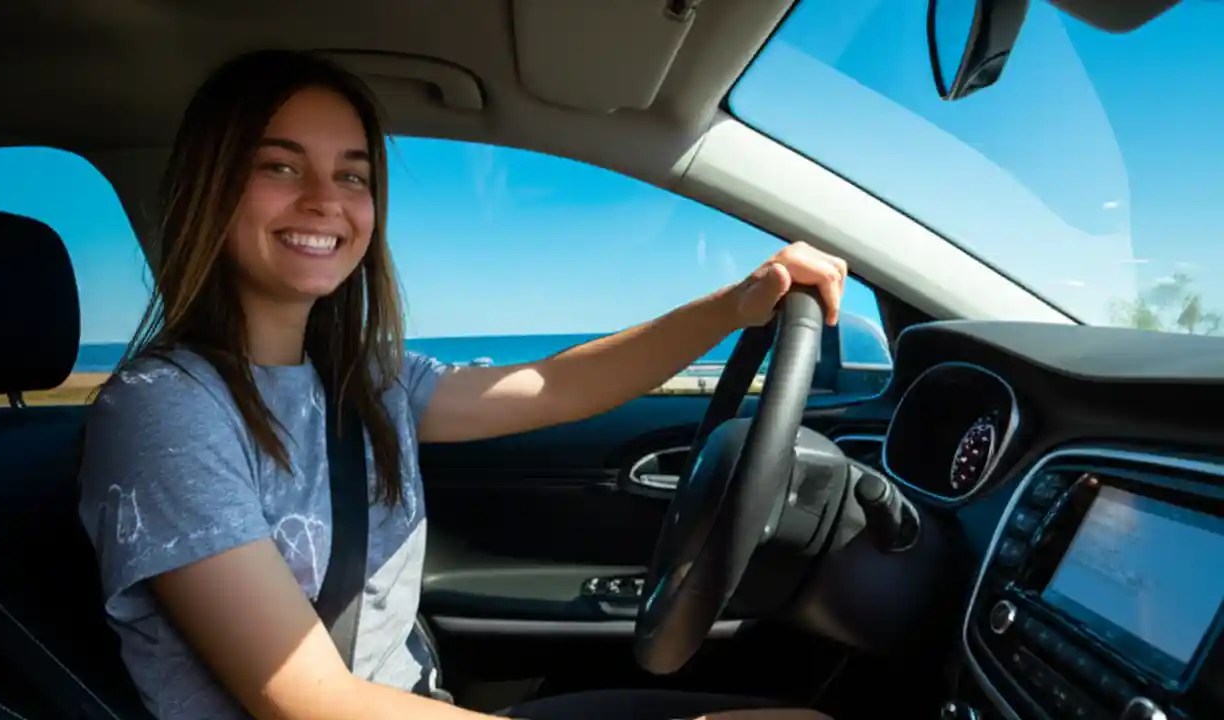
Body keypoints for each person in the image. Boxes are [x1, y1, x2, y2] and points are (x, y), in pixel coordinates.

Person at [76, 49, 846, 720]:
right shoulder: (164, 413)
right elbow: (309, 700)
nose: (326, 200)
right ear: (212, 188)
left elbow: (551, 384)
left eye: (354, 175)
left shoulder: (361, 380)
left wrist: (735, 306)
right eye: (279, 166)